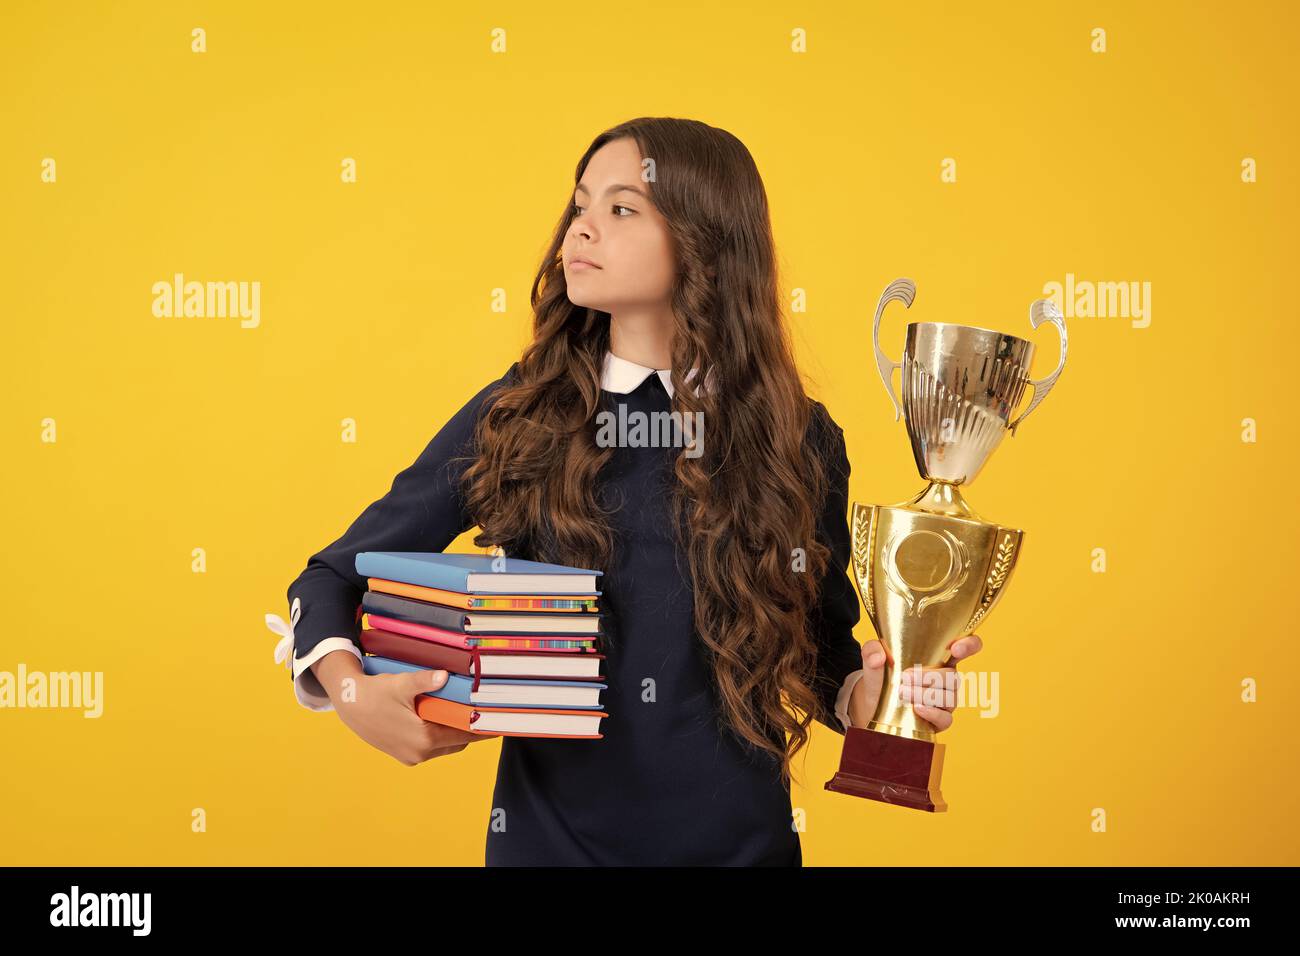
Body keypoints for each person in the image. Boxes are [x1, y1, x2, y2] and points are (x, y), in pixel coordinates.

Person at [268, 117, 983, 865]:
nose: (580, 231)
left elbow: (818, 647)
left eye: (620, 209)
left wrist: (880, 698)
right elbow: (328, 576)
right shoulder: (519, 415)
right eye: (579, 206)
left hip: (746, 851)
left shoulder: (799, 438)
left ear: (705, 241)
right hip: (548, 851)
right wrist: (353, 696)